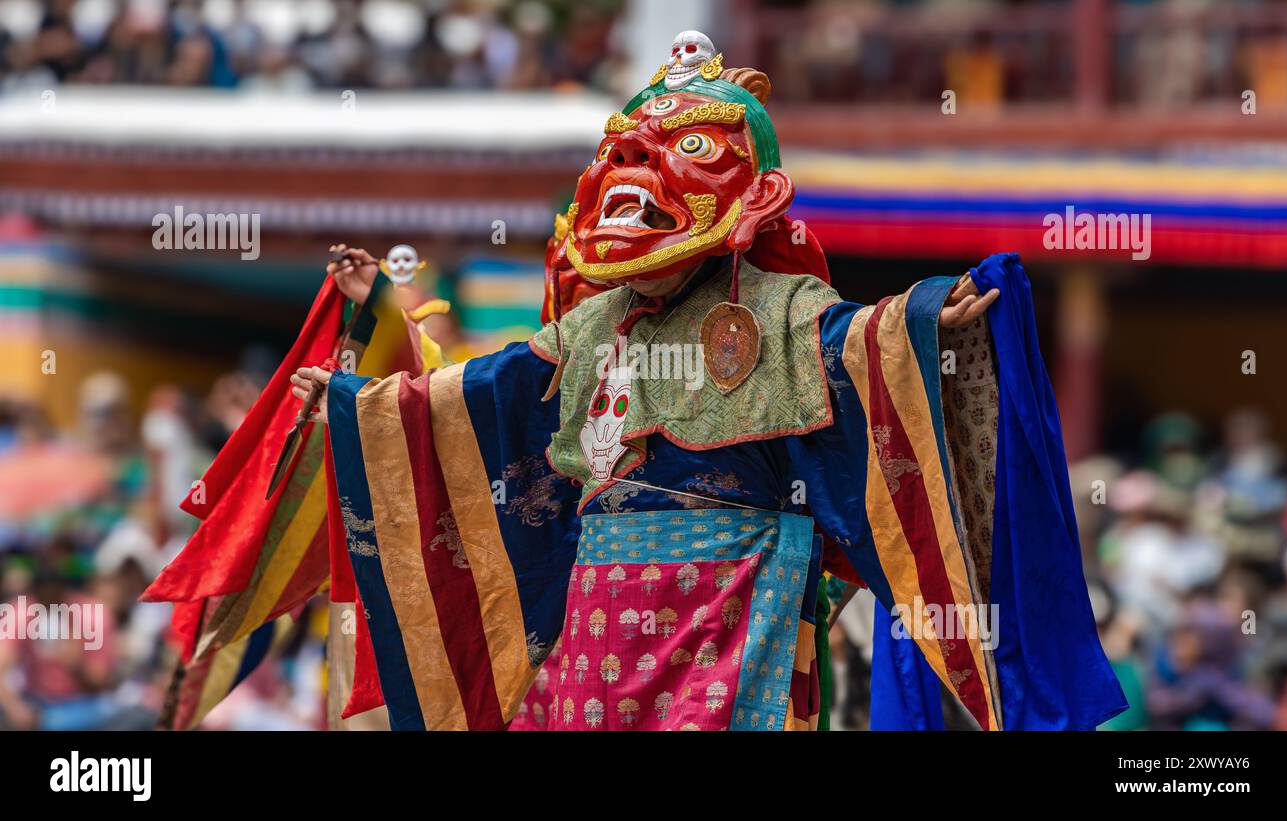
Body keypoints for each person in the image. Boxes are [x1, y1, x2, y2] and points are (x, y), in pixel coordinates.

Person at [269, 32, 1126, 732]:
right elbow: (479, 395)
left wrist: (927, 317)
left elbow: (861, 339)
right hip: (596, 619)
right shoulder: (594, 326)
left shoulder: (782, 308)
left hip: (731, 603)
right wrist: (362, 378)